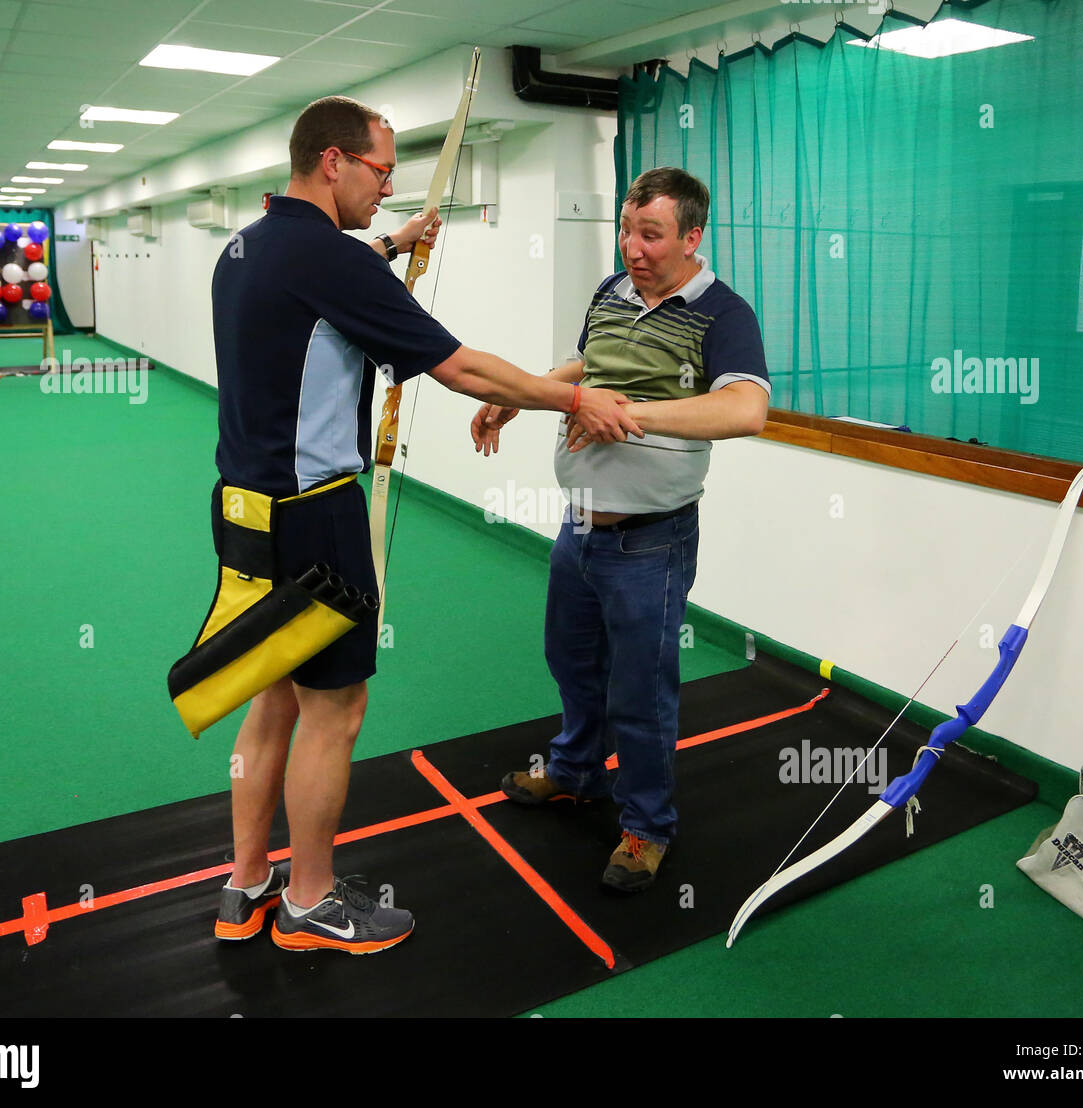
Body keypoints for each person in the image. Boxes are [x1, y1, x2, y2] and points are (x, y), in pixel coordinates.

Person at [210, 95, 642, 952]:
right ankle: (310, 901)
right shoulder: (333, 262)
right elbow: (463, 367)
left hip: (242, 512)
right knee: (334, 710)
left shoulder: (246, 245)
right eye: (381, 171)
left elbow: (321, 275)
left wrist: (390, 245)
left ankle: (247, 883)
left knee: (270, 701)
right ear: (333, 163)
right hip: (314, 518)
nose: (388, 189)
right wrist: (574, 393)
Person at [472, 167, 771, 892]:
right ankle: (575, 772)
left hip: (652, 541)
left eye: (652, 235)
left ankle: (646, 827)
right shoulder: (611, 292)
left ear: (693, 236)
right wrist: (534, 394)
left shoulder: (722, 314)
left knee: (641, 692)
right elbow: (591, 365)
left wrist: (629, 413)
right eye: (627, 230)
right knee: (573, 665)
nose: (633, 249)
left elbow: (743, 411)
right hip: (579, 526)